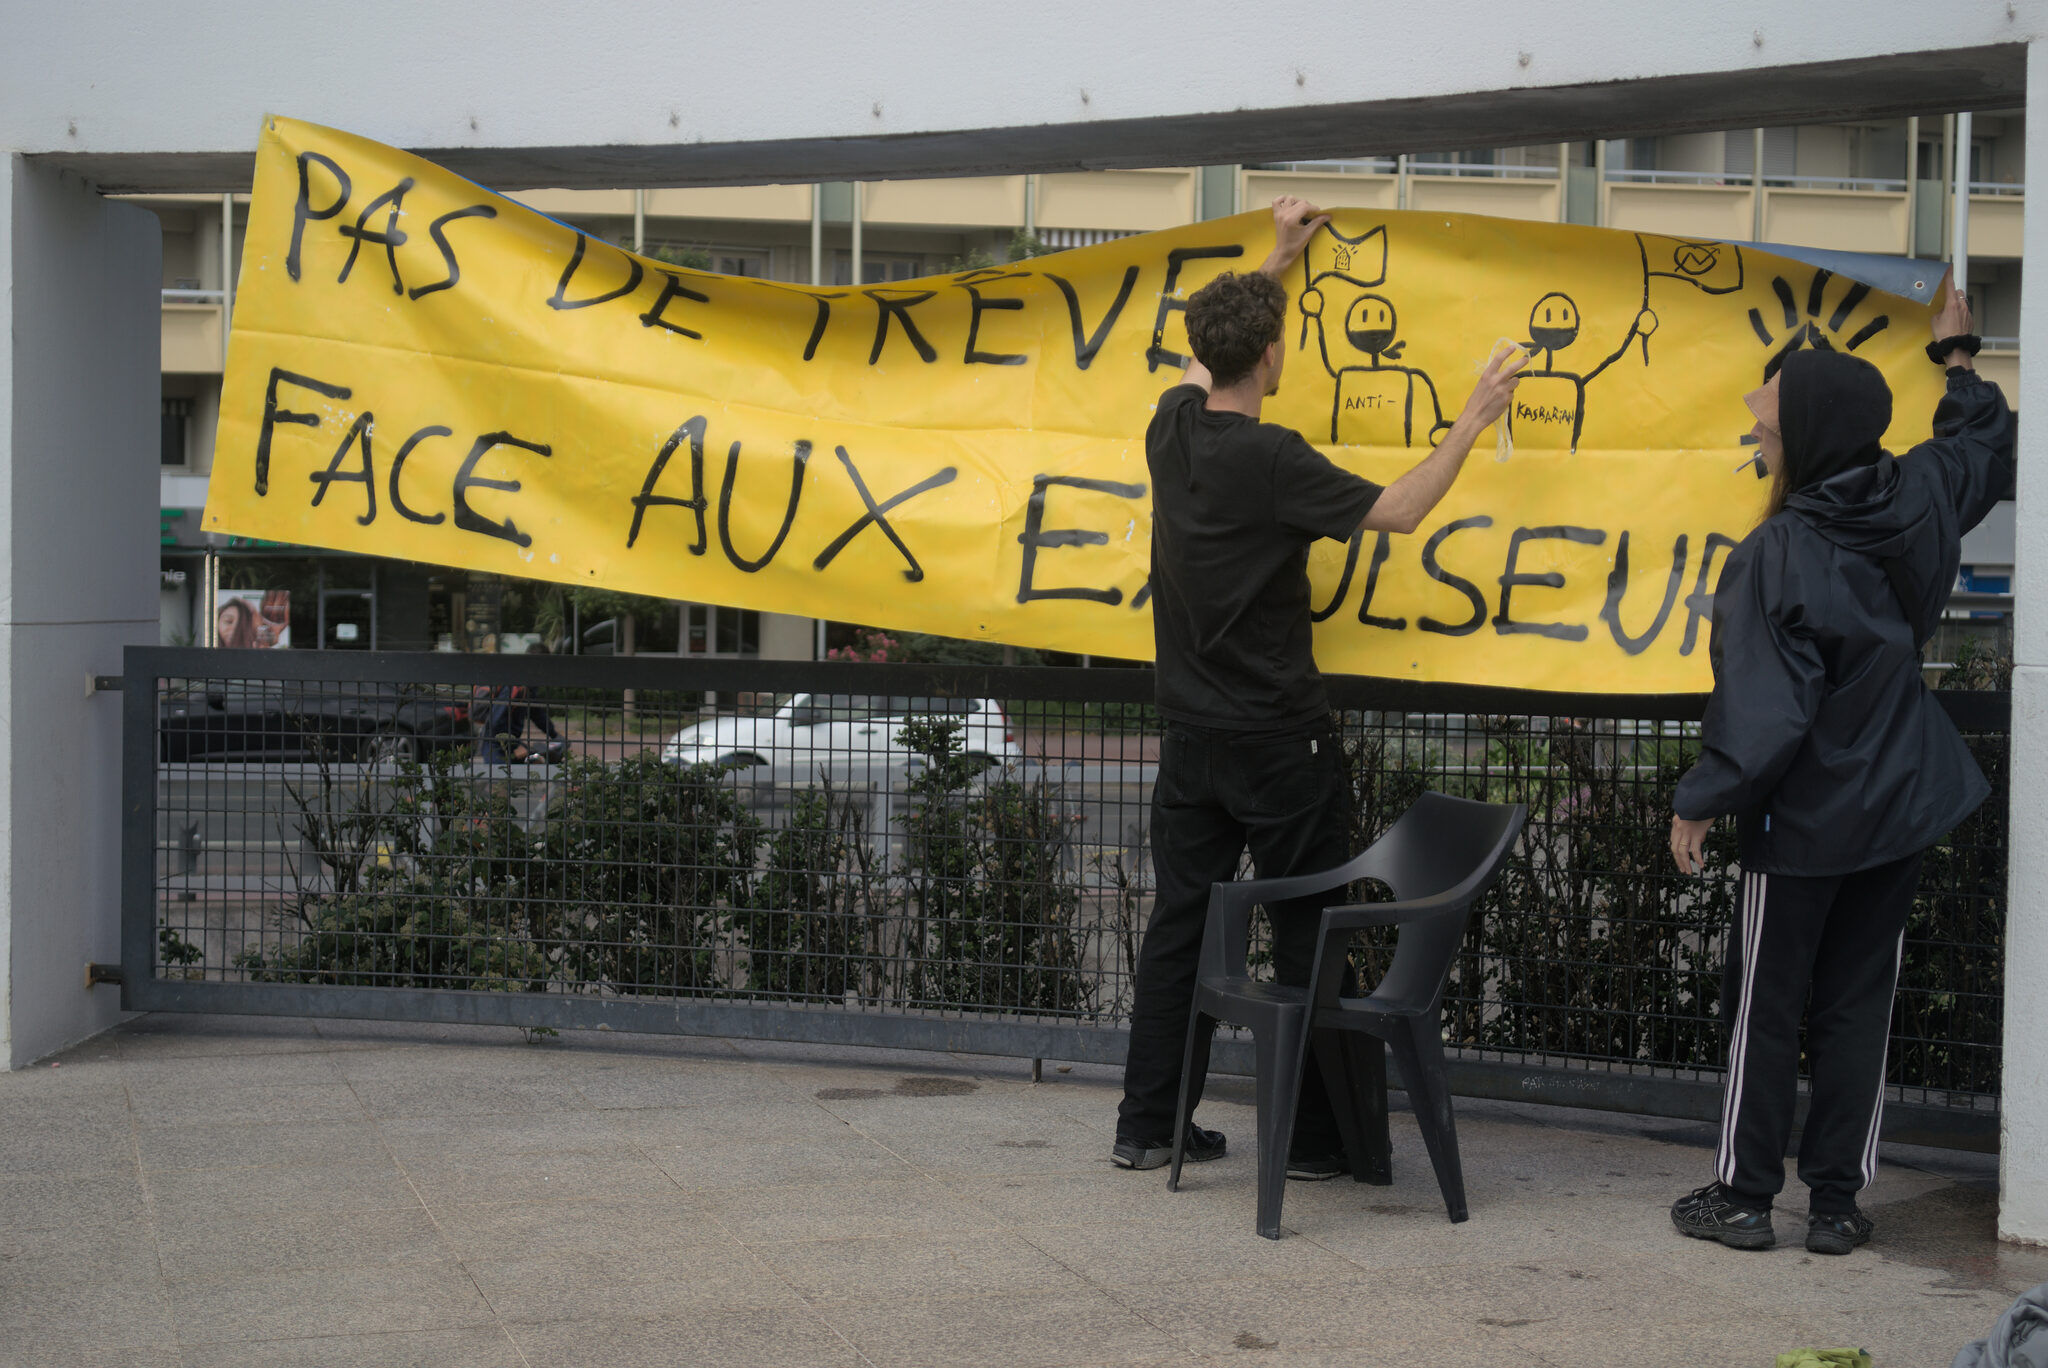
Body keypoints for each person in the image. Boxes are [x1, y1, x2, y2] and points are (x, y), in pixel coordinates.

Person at [1113, 195, 1529, 1174]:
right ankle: (1309, 1142)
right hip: (1279, 744)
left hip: (1191, 741)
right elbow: (1399, 509)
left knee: (1183, 923)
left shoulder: (1166, 433)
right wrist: (1471, 416)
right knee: (1308, 926)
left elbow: (1198, 359)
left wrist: (1278, 258)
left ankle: (1146, 1125)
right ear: (1270, 359)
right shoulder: (1270, 458)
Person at [1666, 281, 2013, 1255]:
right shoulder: (1914, 496)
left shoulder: (1774, 551)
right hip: (1900, 797)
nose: (1752, 421)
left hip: (1804, 815)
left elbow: (1764, 711)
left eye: (1767, 410)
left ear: (1809, 429)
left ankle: (1739, 1195)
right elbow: (1983, 446)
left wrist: (1700, 798)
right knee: (1858, 1004)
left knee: (1765, 1007)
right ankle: (1833, 1206)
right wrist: (1956, 358)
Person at [476, 642, 567, 763]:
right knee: (501, 778)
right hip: (496, 744)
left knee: (526, 766)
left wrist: (554, 735)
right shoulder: (517, 684)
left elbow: (536, 712)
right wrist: (515, 746)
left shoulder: (528, 684)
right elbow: (495, 722)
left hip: (508, 741)